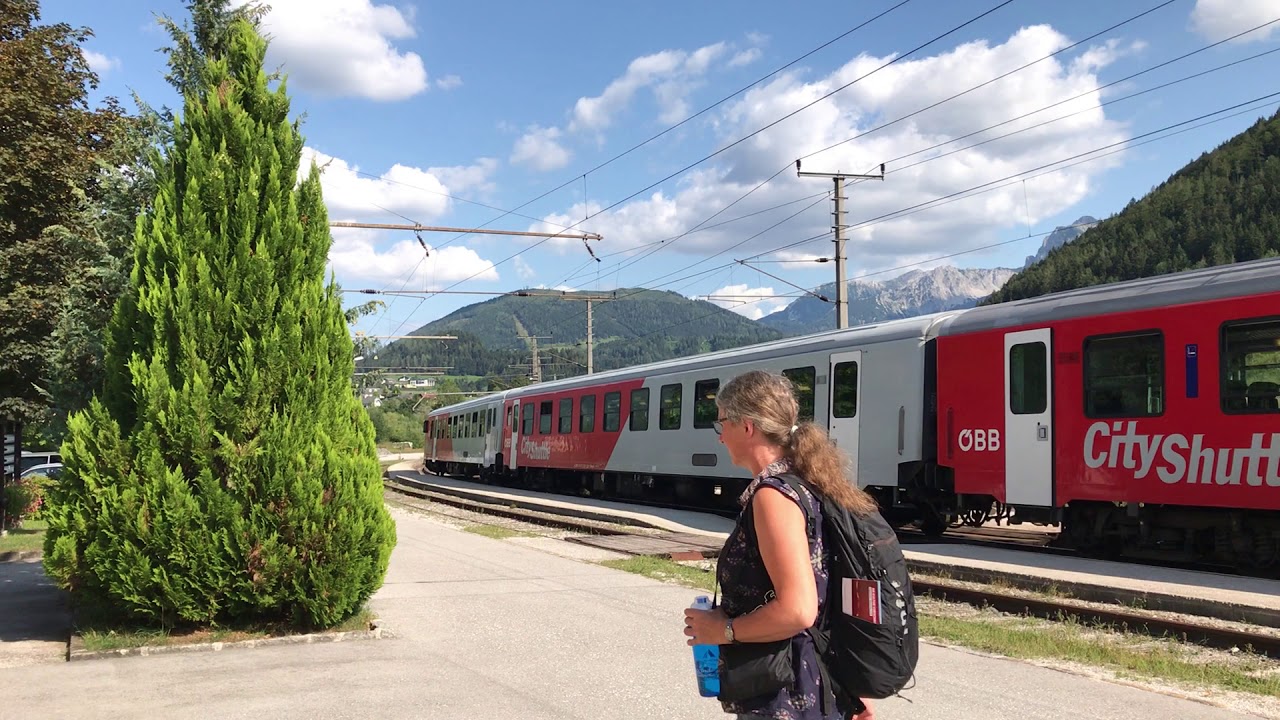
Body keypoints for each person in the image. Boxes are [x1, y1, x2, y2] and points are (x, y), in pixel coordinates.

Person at [683, 370, 876, 720]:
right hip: (817, 681)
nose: (720, 437)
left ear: (747, 427)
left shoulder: (774, 496)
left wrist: (722, 630)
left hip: (789, 693)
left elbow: (798, 610)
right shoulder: (808, 483)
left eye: (722, 423)